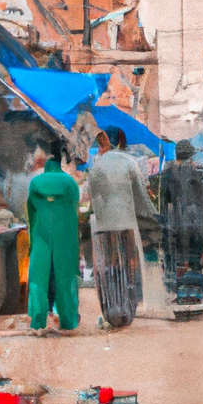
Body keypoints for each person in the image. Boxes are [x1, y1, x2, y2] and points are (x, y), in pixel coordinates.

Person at [87, 127, 160, 327]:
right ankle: (128, 310)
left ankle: (111, 311)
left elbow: (94, 200)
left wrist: (100, 221)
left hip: (104, 227)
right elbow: (140, 196)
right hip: (127, 224)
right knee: (129, 266)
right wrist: (152, 219)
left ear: (104, 143)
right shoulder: (130, 163)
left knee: (109, 268)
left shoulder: (96, 166)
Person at [26, 138, 80, 331]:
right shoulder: (70, 184)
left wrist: (33, 240)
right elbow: (74, 213)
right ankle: (68, 321)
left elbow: (31, 214)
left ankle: (38, 321)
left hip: (41, 236)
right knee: (65, 278)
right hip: (64, 237)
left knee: (39, 279)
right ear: (61, 160)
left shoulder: (35, 183)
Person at [160, 139, 203, 303]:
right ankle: (195, 294)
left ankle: (181, 294)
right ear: (191, 155)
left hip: (177, 224)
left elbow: (165, 202)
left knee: (180, 259)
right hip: (196, 224)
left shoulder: (169, 173)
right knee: (194, 260)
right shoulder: (198, 172)